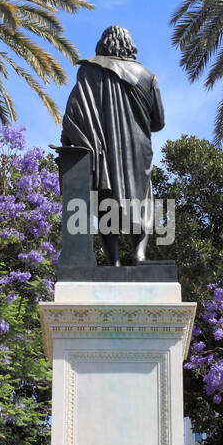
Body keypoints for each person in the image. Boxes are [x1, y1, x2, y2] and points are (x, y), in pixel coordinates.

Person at [60, 25, 166, 265]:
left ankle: (113, 261)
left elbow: (74, 111)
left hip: (104, 152)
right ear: (130, 44)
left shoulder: (90, 71)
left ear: (103, 44)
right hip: (139, 152)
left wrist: (70, 139)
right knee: (142, 202)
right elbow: (158, 122)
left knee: (108, 201)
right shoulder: (148, 76)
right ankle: (139, 255)